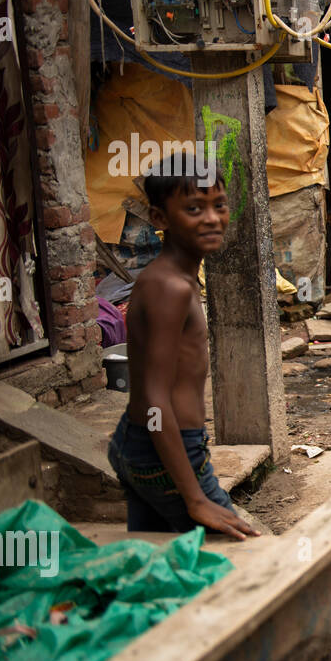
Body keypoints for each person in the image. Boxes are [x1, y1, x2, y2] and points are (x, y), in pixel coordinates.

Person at [108, 153, 259, 539]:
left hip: (142, 443)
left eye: (219, 205)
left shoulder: (174, 278)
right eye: (194, 208)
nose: (211, 218)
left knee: (158, 559)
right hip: (166, 452)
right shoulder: (170, 288)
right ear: (160, 219)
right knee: (240, 562)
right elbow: (155, 399)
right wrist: (194, 497)